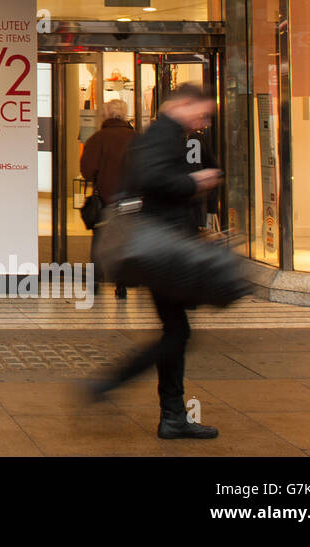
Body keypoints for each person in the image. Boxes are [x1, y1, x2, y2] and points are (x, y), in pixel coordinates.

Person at [88, 83, 223, 440]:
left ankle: (171, 414)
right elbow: (152, 179)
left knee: (176, 331)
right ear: (183, 103)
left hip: (163, 246)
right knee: (178, 332)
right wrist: (194, 181)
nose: (204, 121)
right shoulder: (162, 134)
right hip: (162, 248)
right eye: (202, 112)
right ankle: (117, 384)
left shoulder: (167, 133)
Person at [80, 99, 135, 299]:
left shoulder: (97, 139)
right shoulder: (136, 138)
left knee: (99, 242)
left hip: (105, 199)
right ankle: (121, 285)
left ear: (104, 115)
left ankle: (95, 282)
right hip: (131, 201)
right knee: (125, 242)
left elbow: (87, 171)